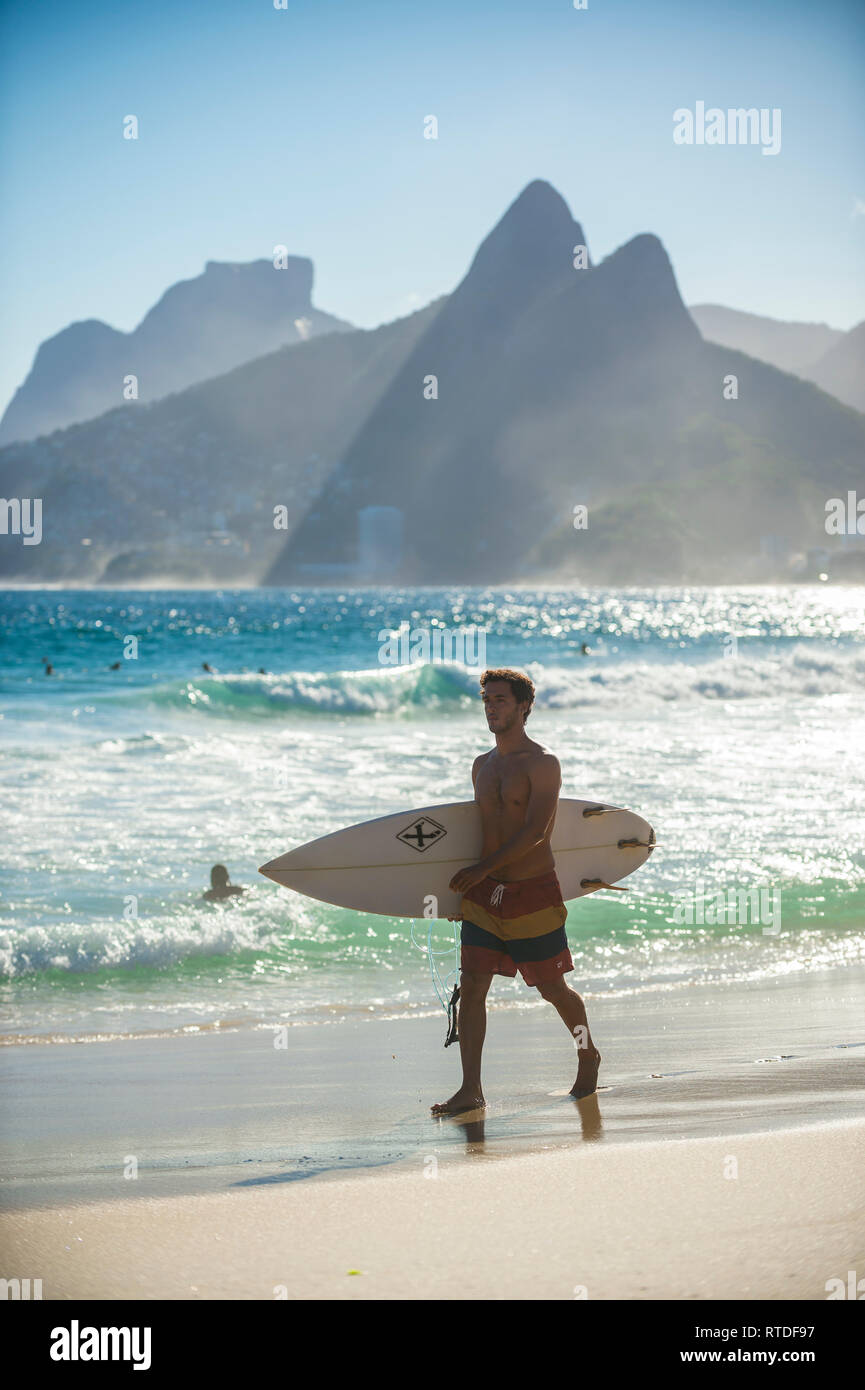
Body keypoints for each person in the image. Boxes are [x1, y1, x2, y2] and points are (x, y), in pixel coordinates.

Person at [431, 667, 601, 1115]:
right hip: (483, 894)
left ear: (524, 707)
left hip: (531, 892)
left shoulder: (542, 763)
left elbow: (537, 832)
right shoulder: (481, 766)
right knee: (472, 987)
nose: (491, 707)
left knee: (552, 988)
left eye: (500, 700)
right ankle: (471, 1088)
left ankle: (587, 1052)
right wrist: (459, 891)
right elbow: (475, 834)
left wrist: (479, 871)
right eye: (486, 700)